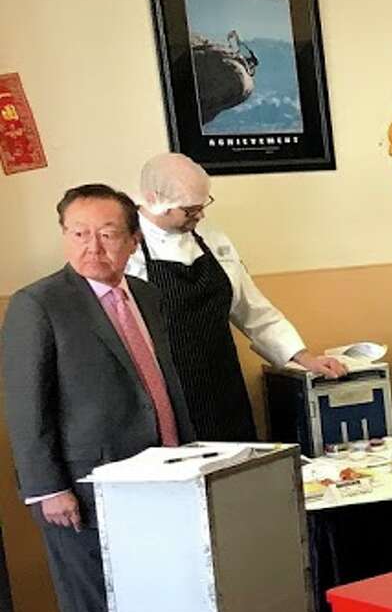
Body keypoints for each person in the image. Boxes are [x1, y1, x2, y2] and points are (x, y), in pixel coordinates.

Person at [3, 185, 195, 612]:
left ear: (133, 240)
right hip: (82, 487)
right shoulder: (39, 304)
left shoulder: (147, 295)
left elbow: (161, 381)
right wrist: (49, 488)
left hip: (162, 475)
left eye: (108, 234)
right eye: (78, 233)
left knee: (159, 602)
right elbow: (25, 405)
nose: (93, 247)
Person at [129, 153, 346, 441]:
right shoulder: (127, 246)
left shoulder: (212, 238)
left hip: (223, 382)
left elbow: (252, 309)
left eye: (202, 206)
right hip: (167, 391)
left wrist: (305, 357)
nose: (199, 215)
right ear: (155, 199)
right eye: (190, 210)